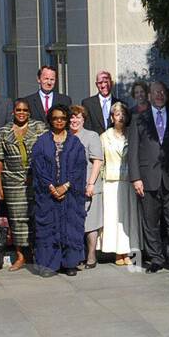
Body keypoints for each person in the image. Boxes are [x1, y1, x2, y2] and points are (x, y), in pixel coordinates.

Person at [128, 81, 169, 273]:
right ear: (149, 96)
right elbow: (133, 151)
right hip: (147, 178)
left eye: (162, 92)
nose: (159, 94)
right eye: (155, 92)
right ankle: (156, 258)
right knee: (150, 221)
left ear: (166, 96)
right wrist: (136, 178)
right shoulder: (138, 119)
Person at [30, 105, 86, 275]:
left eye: (62, 118)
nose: (59, 121)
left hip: (70, 195)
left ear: (67, 119)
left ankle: (69, 263)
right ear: (50, 120)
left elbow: (80, 167)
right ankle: (49, 264)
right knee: (48, 228)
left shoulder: (75, 142)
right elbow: (38, 167)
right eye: (55, 118)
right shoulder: (42, 142)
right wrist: (51, 187)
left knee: (70, 226)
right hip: (48, 195)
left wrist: (65, 186)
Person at [0, 99, 46, 271]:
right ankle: (20, 256)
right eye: (18, 110)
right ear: (13, 112)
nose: (21, 112)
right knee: (16, 220)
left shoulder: (39, 128)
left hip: (36, 179)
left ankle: (36, 254)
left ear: (29, 112)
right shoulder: (3, 131)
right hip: (12, 181)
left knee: (36, 217)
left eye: (24, 110)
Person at [101, 101, 140, 264]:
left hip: (129, 181)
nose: (121, 117)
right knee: (114, 217)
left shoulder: (132, 134)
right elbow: (101, 160)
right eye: (117, 114)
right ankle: (118, 253)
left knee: (128, 217)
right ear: (112, 118)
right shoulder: (104, 136)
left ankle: (127, 252)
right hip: (111, 182)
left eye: (123, 114)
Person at [69, 105, 105, 269]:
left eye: (78, 117)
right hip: (70, 186)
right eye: (72, 117)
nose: (74, 120)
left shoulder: (91, 136)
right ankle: (77, 255)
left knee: (90, 223)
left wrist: (90, 184)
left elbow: (97, 160)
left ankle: (91, 256)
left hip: (89, 184)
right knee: (74, 223)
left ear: (84, 119)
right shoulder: (65, 136)